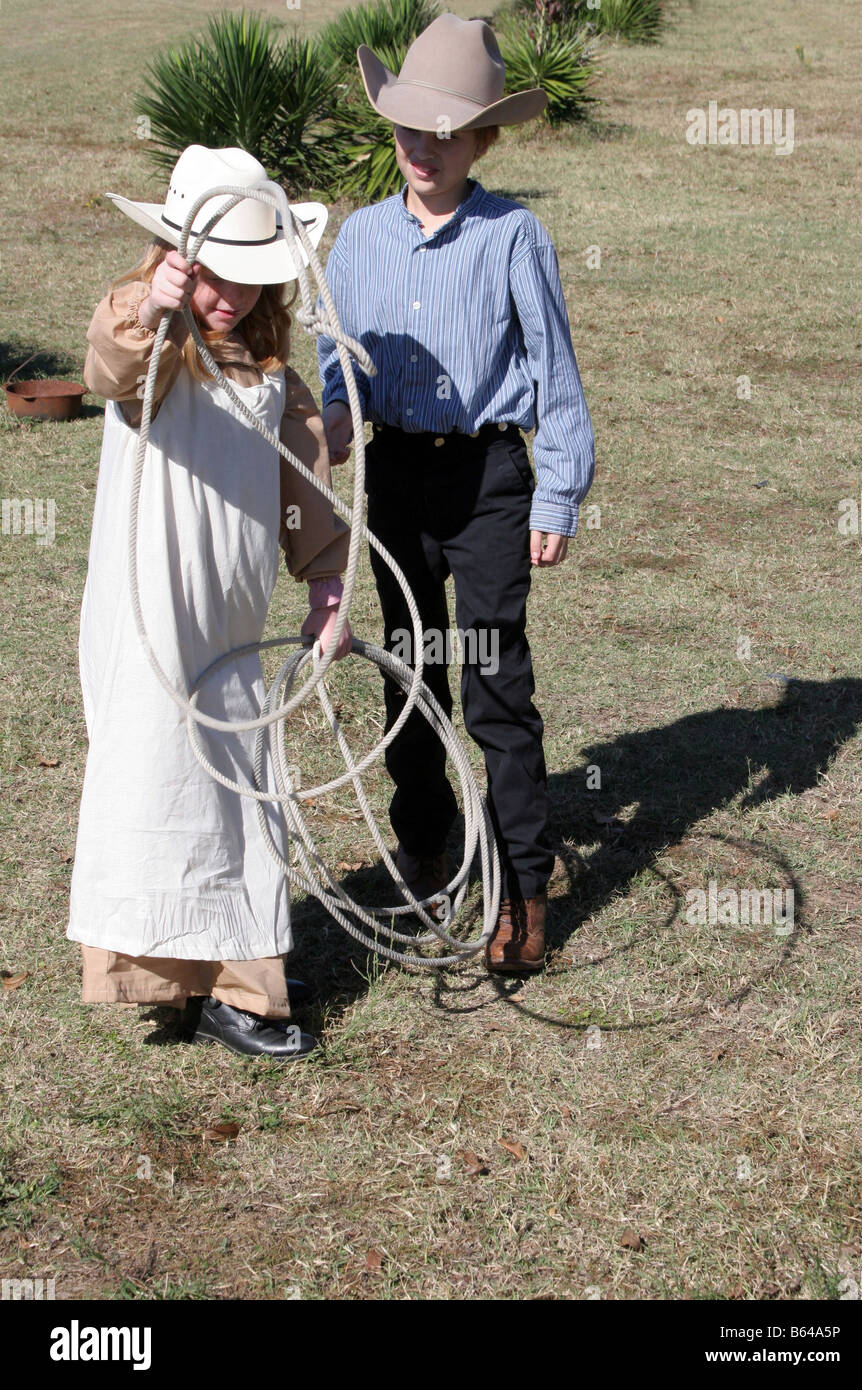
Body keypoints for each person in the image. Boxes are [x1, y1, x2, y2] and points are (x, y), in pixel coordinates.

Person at [317, 14, 595, 974]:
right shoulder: (357, 240)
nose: (426, 148)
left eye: (449, 132)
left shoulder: (512, 234)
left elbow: (553, 372)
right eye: (410, 128)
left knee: (494, 682)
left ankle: (525, 882)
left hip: (486, 481)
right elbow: (334, 363)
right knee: (409, 671)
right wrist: (331, 430)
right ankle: (427, 848)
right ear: (391, 129)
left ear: (482, 139)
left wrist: (556, 495)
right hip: (395, 474)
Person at [67, 145, 351, 1058]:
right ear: (176, 261)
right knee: (154, 771)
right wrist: (146, 308)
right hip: (152, 605)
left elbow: (300, 470)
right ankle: (191, 978)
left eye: (251, 278)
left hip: (228, 616)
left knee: (236, 781)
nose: (229, 296)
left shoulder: (267, 364)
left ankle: (235, 973)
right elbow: (108, 368)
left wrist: (328, 582)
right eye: (213, 275)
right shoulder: (154, 347)